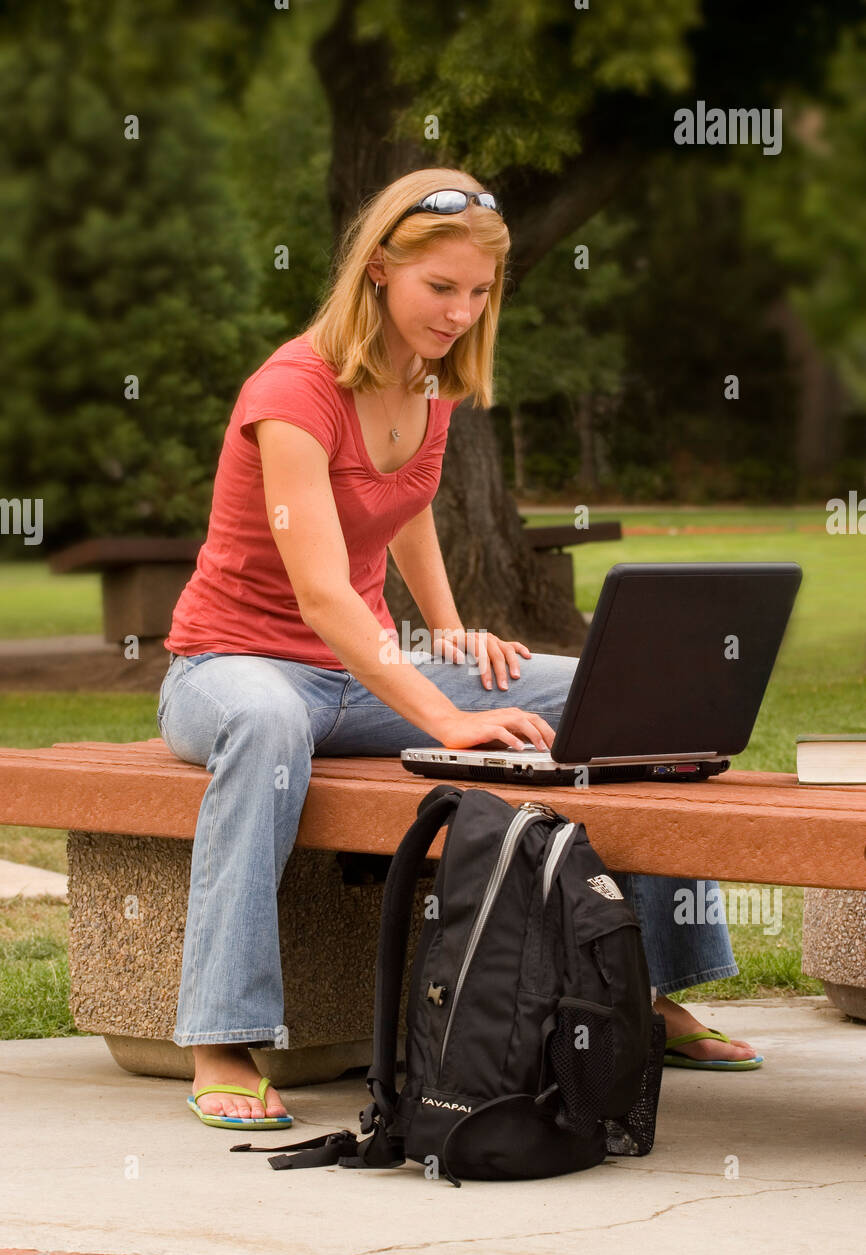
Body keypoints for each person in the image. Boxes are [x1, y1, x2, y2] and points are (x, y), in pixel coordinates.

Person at [158, 167, 760, 1130]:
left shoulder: (429, 381)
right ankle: (221, 1036)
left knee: (624, 691)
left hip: (360, 672)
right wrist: (446, 713)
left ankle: (649, 988)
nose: (460, 311)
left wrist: (447, 632)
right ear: (379, 270)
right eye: (441, 289)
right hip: (233, 669)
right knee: (269, 724)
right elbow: (320, 592)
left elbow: (408, 507)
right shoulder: (291, 392)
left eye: (479, 293)